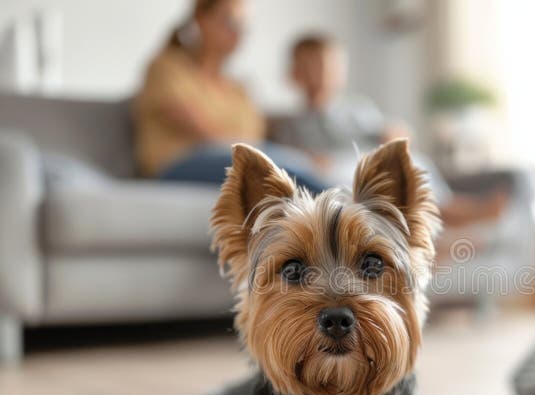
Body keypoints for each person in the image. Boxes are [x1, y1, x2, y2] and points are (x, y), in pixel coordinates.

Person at [273, 33, 508, 227]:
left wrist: (394, 135)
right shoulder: (289, 123)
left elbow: (391, 132)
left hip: (370, 161)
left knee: (414, 162)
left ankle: (448, 209)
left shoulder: (356, 110)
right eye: (309, 66)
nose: (319, 74)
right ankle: (452, 213)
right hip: (337, 173)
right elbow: (290, 158)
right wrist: (311, 159)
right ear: (293, 74)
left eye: (326, 66)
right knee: (361, 181)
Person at [134, 0, 322, 191]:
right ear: (201, 19)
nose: (238, 33)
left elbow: (255, 138)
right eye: (231, 23)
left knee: (294, 164)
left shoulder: (239, 88)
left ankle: (337, 204)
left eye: (243, 26)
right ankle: (341, 206)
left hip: (235, 160)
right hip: (178, 167)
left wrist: (298, 157)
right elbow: (209, 136)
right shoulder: (167, 68)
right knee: (275, 168)